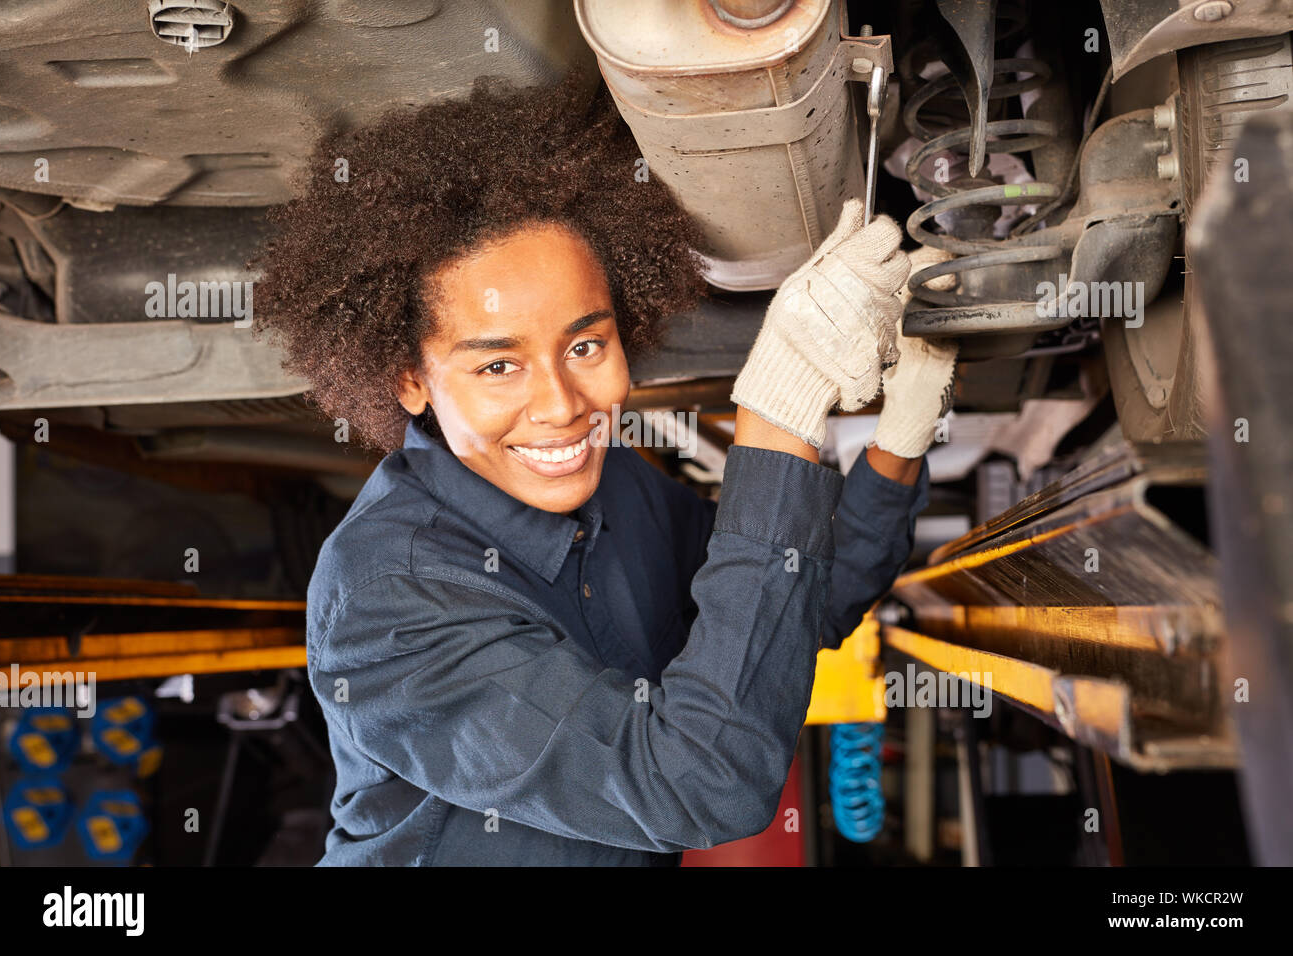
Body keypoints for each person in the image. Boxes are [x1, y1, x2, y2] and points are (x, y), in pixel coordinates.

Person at [250, 73, 956, 866]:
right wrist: (779, 410)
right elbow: (696, 785)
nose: (562, 406)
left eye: (585, 347)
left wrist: (902, 433)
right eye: (496, 368)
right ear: (409, 379)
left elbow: (788, 610)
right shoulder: (385, 604)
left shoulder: (622, 489)